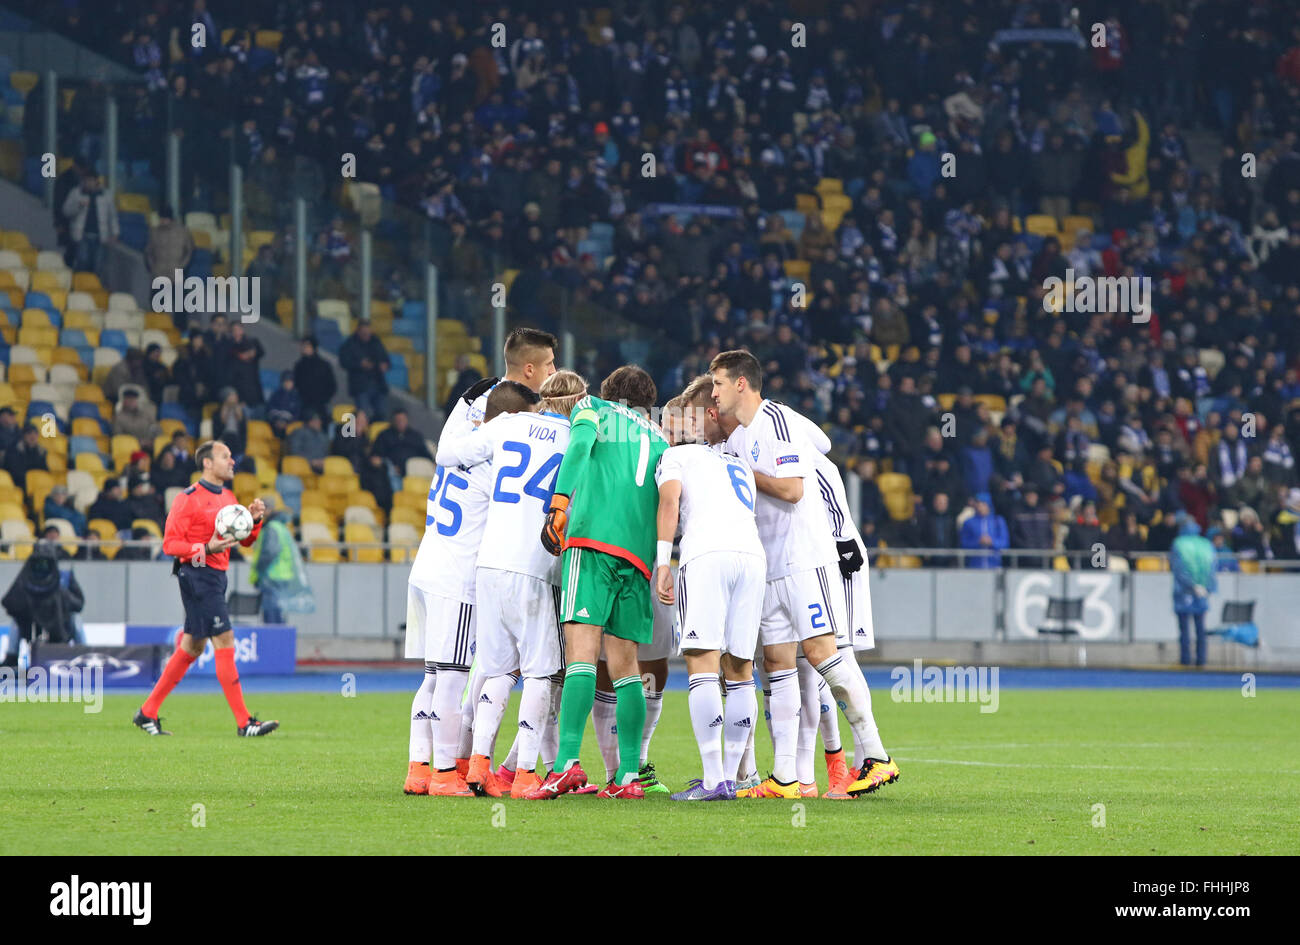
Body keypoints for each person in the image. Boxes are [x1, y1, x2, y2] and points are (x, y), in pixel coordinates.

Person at [709, 350, 897, 799]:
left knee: (822, 653)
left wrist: (744, 474)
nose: (713, 392)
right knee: (777, 664)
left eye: (717, 383)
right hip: (768, 567)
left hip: (803, 561)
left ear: (741, 384)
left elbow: (793, 490)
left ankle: (875, 756)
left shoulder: (779, 421)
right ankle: (788, 778)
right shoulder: (738, 440)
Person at [401, 326, 557, 797]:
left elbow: (449, 448)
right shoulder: (512, 431)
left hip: (429, 559)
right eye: (550, 365)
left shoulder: (475, 411)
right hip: (463, 571)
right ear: (529, 369)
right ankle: (448, 771)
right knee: (453, 676)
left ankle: (420, 767)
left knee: (434, 675)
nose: (554, 373)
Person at [435, 372, 586, 798]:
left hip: (490, 563)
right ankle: (524, 774)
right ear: (577, 403)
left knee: (497, 669)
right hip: (538, 566)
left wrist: (465, 407)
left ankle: (479, 765)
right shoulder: (580, 440)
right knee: (539, 672)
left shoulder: (508, 423)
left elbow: (447, 454)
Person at [524, 365, 668, 800]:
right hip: (638, 558)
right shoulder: (662, 440)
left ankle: (566, 764)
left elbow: (580, 445)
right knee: (627, 669)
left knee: (581, 657)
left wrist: (559, 505)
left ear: (608, 392)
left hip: (591, 542)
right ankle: (627, 776)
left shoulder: (593, 408)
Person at [653, 389, 763, 801]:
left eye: (670, 421)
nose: (664, 429)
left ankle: (714, 780)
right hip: (752, 558)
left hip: (707, 554)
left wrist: (664, 561)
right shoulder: (740, 464)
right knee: (740, 670)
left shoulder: (677, 457)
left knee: (701, 663)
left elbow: (669, 504)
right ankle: (734, 778)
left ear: (688, 423)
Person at [133, 440, 277, 737]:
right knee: (224, 638)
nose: (232, 461)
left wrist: (256, 520)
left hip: (216, 575)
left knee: (193, 646)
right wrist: (206, 547)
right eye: (225, 456)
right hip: (197, 573)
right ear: (207, 463)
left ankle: (147, 712)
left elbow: (244, 540)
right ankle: (244, 722)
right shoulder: (188, 499)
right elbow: (170, 545)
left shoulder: (228, 497)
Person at [1, 542, 85, 664]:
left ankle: (84, 656)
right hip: (32, 623)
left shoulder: (65, 577)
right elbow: (8, 602)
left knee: (76, 619)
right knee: (15, 621)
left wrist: (62, 593)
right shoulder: (26, 577)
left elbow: (79, 604)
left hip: (61, 623)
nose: (42, 565)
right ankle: (12, 657)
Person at [248, 509, 313, 624]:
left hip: (271, 576)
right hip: (281, 575)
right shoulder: (281, 527)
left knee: (271, 613)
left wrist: (260, 570)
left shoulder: (271, 528)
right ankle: (279, 637)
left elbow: (270, 551)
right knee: (278, 610)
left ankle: (274, 639)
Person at [1170, 513, 1218, 668]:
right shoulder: (1206, 544)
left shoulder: (1179, 543)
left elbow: (1178, 569)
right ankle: (1201, 660)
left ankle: (1185, 660)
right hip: (1202, 590)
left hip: (1184, 591)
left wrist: (1191, 585)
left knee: (1184, 629)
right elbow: (1212, 567)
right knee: (1200, 627)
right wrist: (1206, 587)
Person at [61, 171, 118, 273]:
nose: (88, 183)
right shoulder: (76, 193)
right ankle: (81, 284)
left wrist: (115, 233)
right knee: (83, 262)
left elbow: (112, 216)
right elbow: (66, 211)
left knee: (98, 265)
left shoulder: (106, 195)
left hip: (100, 236)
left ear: (96, 181)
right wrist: (79, 206)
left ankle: (94, 287)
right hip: (82, 235)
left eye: (90, 180)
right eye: (86, 180)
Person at [338, 319, 390, 419]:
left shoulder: (376, 341)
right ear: (358, 331)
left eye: (368, 332)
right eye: (363, 332)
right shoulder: (350, 344)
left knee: (382, 415)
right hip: (360, 386)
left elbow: (385, 359)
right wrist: (360, 364)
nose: (366, 334)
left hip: (378, 384)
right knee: (362, 415)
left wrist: (384, 365)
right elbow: (343, 362)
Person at [293, 336, 337, 420]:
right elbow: (296, 385)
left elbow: (332, 386)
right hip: (304, 406)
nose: (304, 348)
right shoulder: (299, 366)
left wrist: (324, 399)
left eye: (307, 346)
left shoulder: (324, 365)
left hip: (321, 405)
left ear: (314, 347)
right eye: (303, 346)